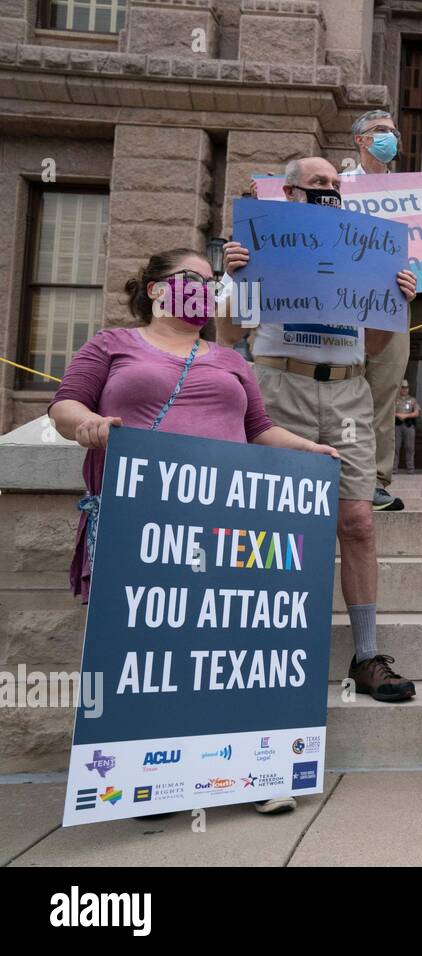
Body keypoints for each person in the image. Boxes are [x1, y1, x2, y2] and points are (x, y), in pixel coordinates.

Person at [49, 248, 341, 816]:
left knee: (233, 647)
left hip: (229, 522)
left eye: (212, 283)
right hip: (142, 522)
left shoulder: (231, 358)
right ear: (157, 288)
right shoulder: (111, 345)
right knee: (147, 652)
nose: (205, 290)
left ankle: (255, 773)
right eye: (192, 280)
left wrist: (311, 451)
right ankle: (146, 780)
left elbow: (258, 430)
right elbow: (66, 404)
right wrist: (86, 425)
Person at [218, 156, 420, 703]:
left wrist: (395, 301)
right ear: (289, 193)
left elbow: (373, 346)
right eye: (318, 183)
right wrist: (234, 278)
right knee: (275, 519)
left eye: (335, 183)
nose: (329, 190)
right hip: (279, 386)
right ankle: (267, 647)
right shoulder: (260, 245)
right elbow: (230, 331)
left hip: (348, 393)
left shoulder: (366, 250)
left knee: (357, 521)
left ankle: (368, 654)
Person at [344, 109, 409, 513]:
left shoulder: (415, 192)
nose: (388, 137)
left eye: (392, 131)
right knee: (344, 391)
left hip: (393, 302)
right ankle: (339, 475)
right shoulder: (337, 185)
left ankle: (376, 481)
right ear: (360, 140)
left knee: (382, 394)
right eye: (379, 131)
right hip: (343, 303)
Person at [393, 379, 420, 474]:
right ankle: (394, 469)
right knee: (395, 447)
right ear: (399, 389)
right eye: (403, 388)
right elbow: (389, 411)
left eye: (406, 388)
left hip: (408, 425)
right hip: (397, 426)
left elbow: (417, 413)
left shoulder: (412, 400)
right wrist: (397, 415)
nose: (404, 390)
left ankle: (410, 469)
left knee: (410, 447)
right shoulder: (395, 400)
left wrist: (406, 416)